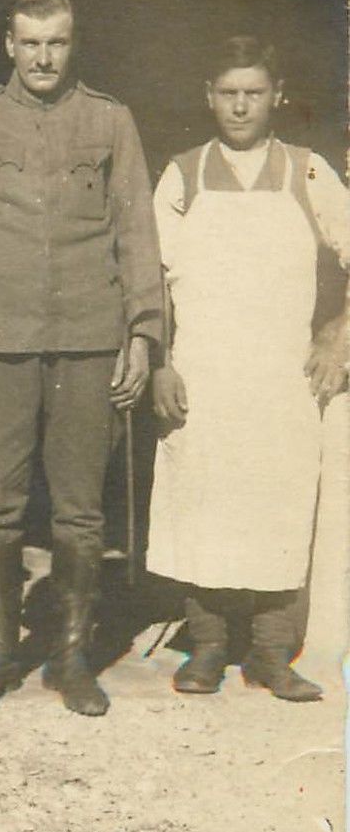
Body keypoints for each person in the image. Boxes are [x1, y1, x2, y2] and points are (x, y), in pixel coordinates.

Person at [0, 0, 162, 716]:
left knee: (81, 513)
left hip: (90, 337)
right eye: (30, 43)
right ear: (9, 44)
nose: (44, 57)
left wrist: (144, 333)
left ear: (72, 42)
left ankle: (71, 655)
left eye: (56, 42)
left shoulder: (110, 121)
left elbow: (138, 235)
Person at [147, 36, 350, 701]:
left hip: (279, 380)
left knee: (277, 506)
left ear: (277, 97)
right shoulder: (183, 174)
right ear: (209, 97)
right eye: (228, 93)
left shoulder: (306, 170)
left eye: (253, 93)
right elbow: (151, 281)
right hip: (201, 374)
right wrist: (159, 365)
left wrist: (336, 332)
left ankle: (270, 652)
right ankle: (206, 647)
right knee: (200, 504)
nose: (240, 107)